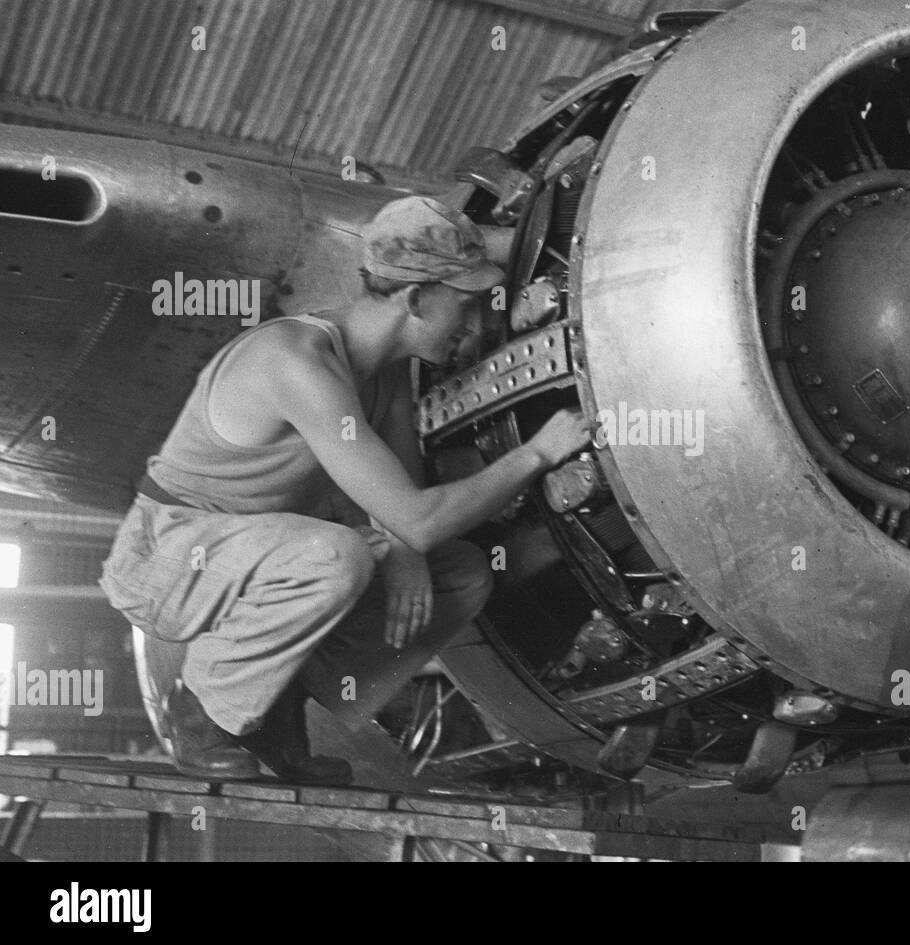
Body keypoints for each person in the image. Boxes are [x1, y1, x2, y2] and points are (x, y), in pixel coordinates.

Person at [99, 196, 590, 783]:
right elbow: (419, 516)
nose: (474, 325)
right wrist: (538, 452)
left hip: (251, 562)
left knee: (459, 573)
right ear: (416, 298)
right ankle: (200, 718)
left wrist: (408, 553)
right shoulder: (294, 360)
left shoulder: (387, 370)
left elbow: (401, 498)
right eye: (464, 304)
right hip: (167, 557)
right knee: (337, 557)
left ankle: (273, 712)